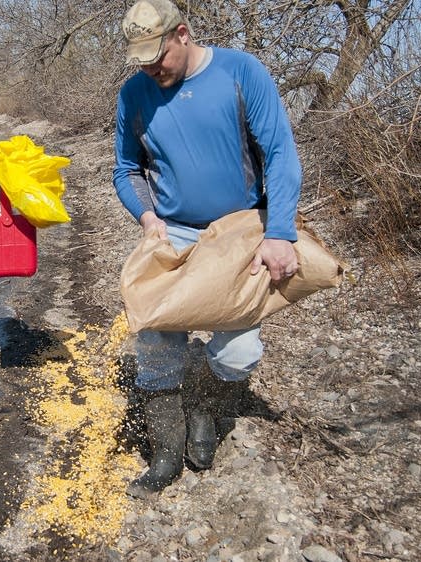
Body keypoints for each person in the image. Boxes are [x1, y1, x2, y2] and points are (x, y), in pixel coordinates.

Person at [112, 0, 303, 496]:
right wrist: (147, 217)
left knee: (240, 351)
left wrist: (280, 231)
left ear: (183, 33)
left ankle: (206, 409)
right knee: (155, 337)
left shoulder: (241, 72)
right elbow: (126, 169)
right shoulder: (134, 94)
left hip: (240, 230)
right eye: (141, 59)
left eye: (158, 54)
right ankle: (166, 448)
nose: (152, 67)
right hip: (172, 232)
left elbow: (280, 151)